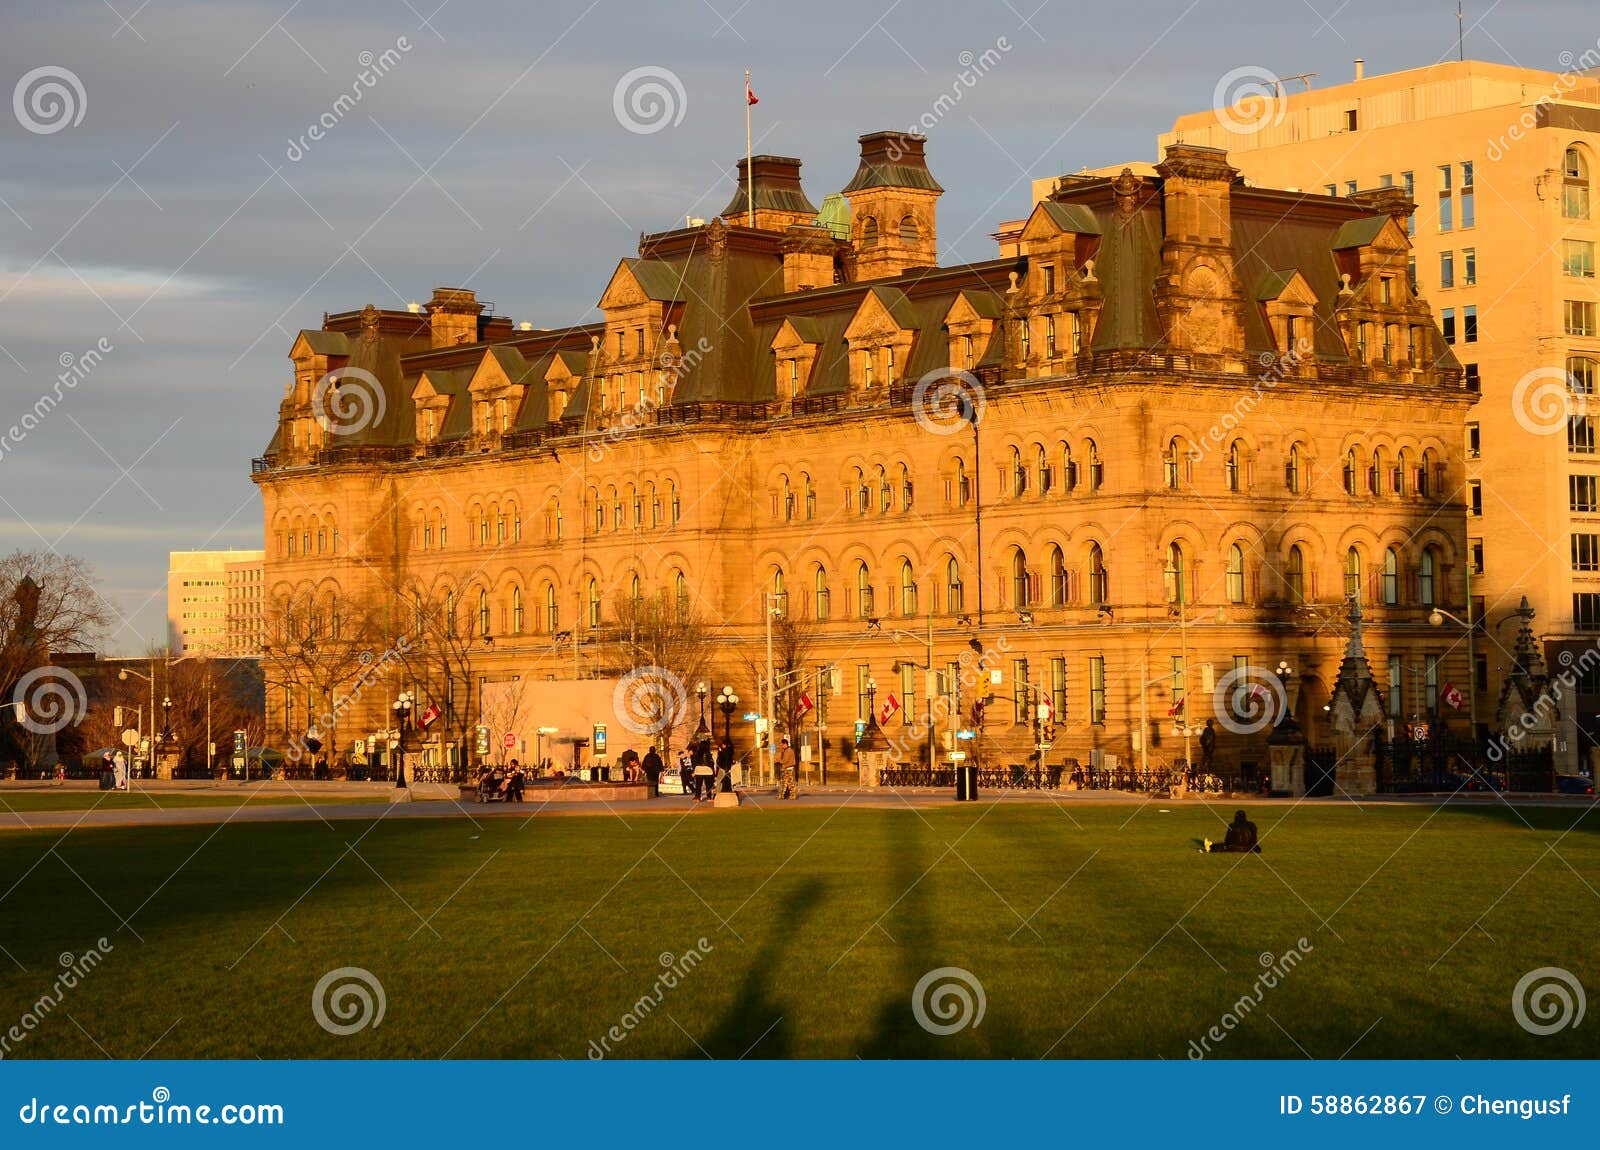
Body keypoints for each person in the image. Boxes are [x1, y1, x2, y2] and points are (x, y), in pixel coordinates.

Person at [777, 736, 798, 800]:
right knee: (784, 783)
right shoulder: (786, 751)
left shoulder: (788, 751)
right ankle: (782, 796)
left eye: (782, 744)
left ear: (785, 744)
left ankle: (792, 796)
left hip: (788, 769)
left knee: (790, 783)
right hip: (787, 769)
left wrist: (779, 760)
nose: (781, 746)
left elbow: (785, 760)